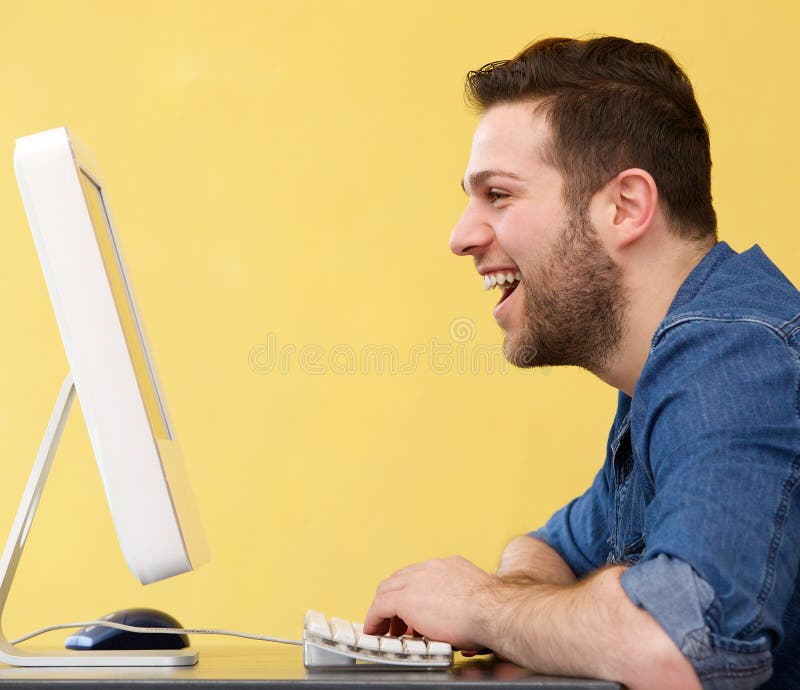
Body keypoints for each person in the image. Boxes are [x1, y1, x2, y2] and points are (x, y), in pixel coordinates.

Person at [362, 36, 800, 690]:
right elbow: (548, 550)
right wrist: (531, 604)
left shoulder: (734, 357)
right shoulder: (664, 376)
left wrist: (481, 606)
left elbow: (679, 648)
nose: (461, 237)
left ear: (625, 207)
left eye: (498, 194)